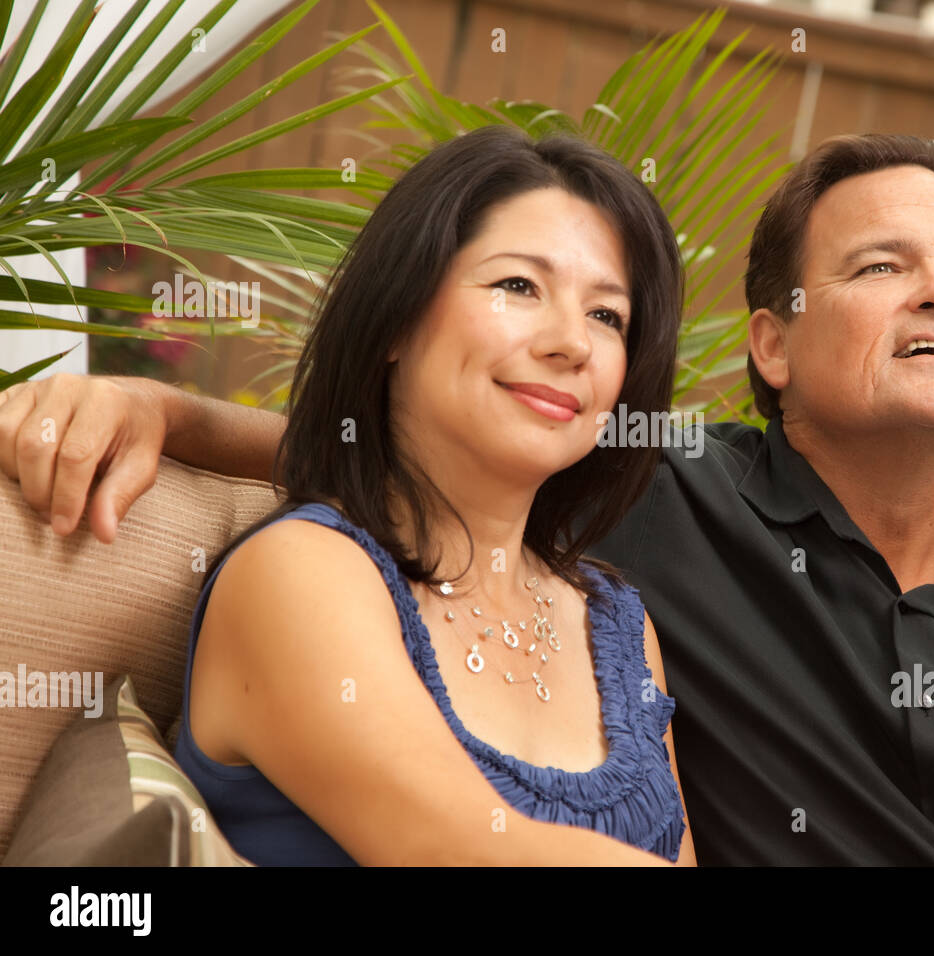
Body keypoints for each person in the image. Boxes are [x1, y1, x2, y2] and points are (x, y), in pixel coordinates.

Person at [0, 132, 934, 866]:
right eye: (881, 267)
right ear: (772, 343)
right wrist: (162, 411)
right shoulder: (657, 496)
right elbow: (412, 452)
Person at [0, 124, 698, 865]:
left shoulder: (619, 628)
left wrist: (179, 414)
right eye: (517, 286)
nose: (573, 342)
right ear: (395, 318)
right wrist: (165, 408)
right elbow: (455, 848)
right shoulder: (301, 574)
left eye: (607, 315)